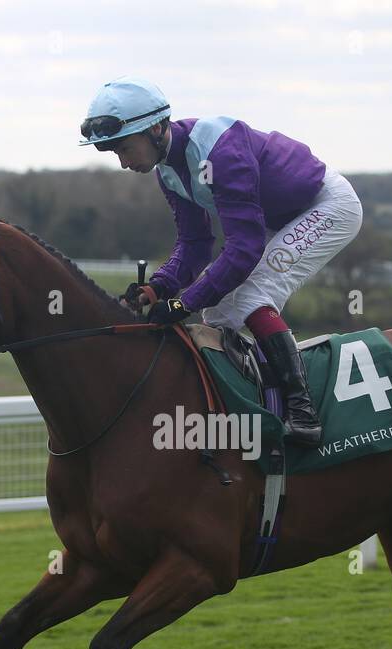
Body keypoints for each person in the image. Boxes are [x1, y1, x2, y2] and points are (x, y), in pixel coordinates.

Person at [78, 76, 363, 447]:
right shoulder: (169, 171)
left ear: (156, 128)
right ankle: (256, 398)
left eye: (124, 149)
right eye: (114, 152)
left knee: (251, 295)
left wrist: (183, 303)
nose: (123, 162)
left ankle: (303, 413)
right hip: (284, 219)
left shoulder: (219, 152)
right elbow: (195, 244)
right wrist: (157, 288)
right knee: (219, 313)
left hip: (328, 207)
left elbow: (244, 248)